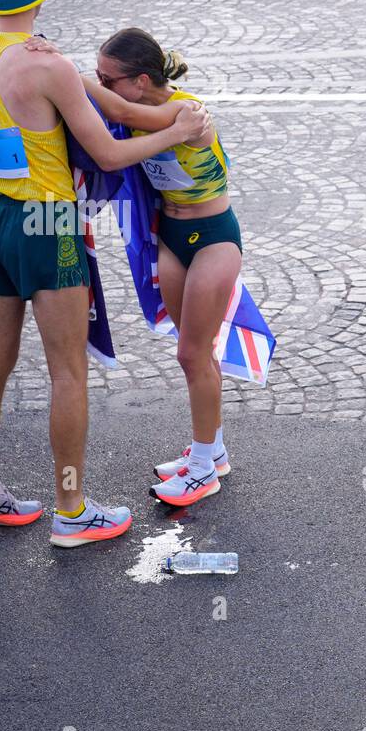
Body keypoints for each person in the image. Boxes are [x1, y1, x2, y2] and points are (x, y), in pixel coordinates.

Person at [0, 0, 211, 547]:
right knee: (68, 373)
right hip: (49, 224)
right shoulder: (48, 65)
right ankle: (72, 510)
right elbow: (109, 151)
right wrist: (174, 137)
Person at [87, 28, 241, 508]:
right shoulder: (135, 112)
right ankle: (211, 452)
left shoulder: (182, 111)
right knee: (194, 352)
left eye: (106, 77)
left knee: (192, 355)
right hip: (171, 239)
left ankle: (201, 472)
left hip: (214, 240)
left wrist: (68, 75)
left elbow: (119, 111)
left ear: (140, 81)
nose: (101, 84)